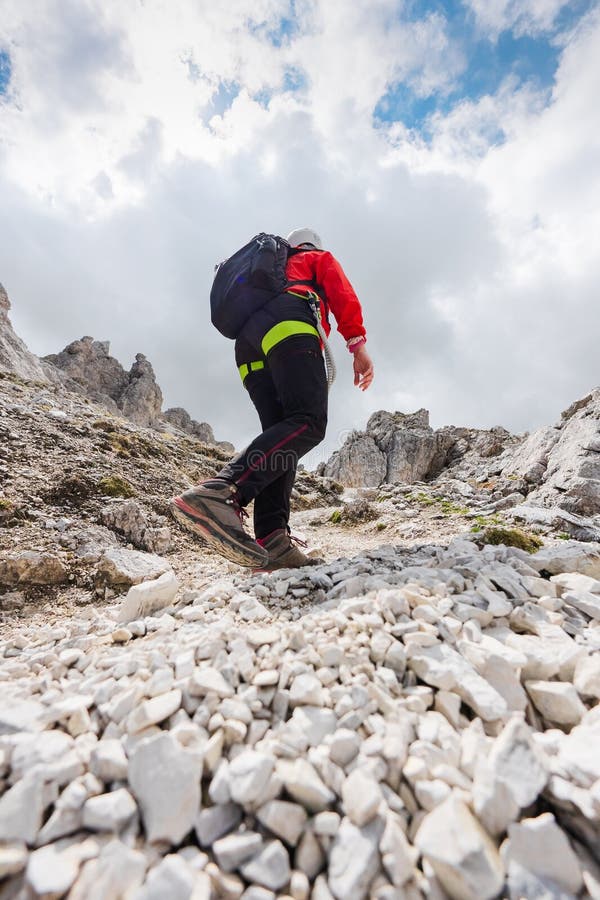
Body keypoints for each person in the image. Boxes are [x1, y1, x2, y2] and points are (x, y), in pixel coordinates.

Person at [172, 227, 374, 570]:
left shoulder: (267, 274)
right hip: (289, 327)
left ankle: (272, 538)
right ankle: (222, 491)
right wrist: (357, 345)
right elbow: (341, 292)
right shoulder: (314, 257)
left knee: (283, 436)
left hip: (248, 349)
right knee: (308, 421)